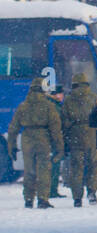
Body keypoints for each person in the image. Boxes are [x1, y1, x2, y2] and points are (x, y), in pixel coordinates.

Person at [6, 78, 64, 208]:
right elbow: (55, 128)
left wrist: (11, 146)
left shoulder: (23, 106)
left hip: (27, 138)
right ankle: (42, 199)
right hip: (43, 138)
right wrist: (59, 147)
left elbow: (13, 128)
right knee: (44, 169)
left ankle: (28, 199)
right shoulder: (49, 106)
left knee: (29, 170)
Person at [61, 72, 97, 206]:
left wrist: (66, 137)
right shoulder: (94, 97)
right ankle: (92, 192)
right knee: (93, 165)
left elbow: (64, 121)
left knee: (76, 167)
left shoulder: (68, 100)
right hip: (92, 134)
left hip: (75, 134)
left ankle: (77, 198)